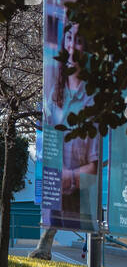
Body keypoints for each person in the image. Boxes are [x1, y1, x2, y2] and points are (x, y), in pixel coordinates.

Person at [49, 16, 100, 230]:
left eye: (78, 40)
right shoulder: (54, 94)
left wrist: (67, 177)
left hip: (81, 201)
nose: (71, 46)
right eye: (69, 38)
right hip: (55, 200)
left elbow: (95, 167)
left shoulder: (94, 99)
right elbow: (50, 150)